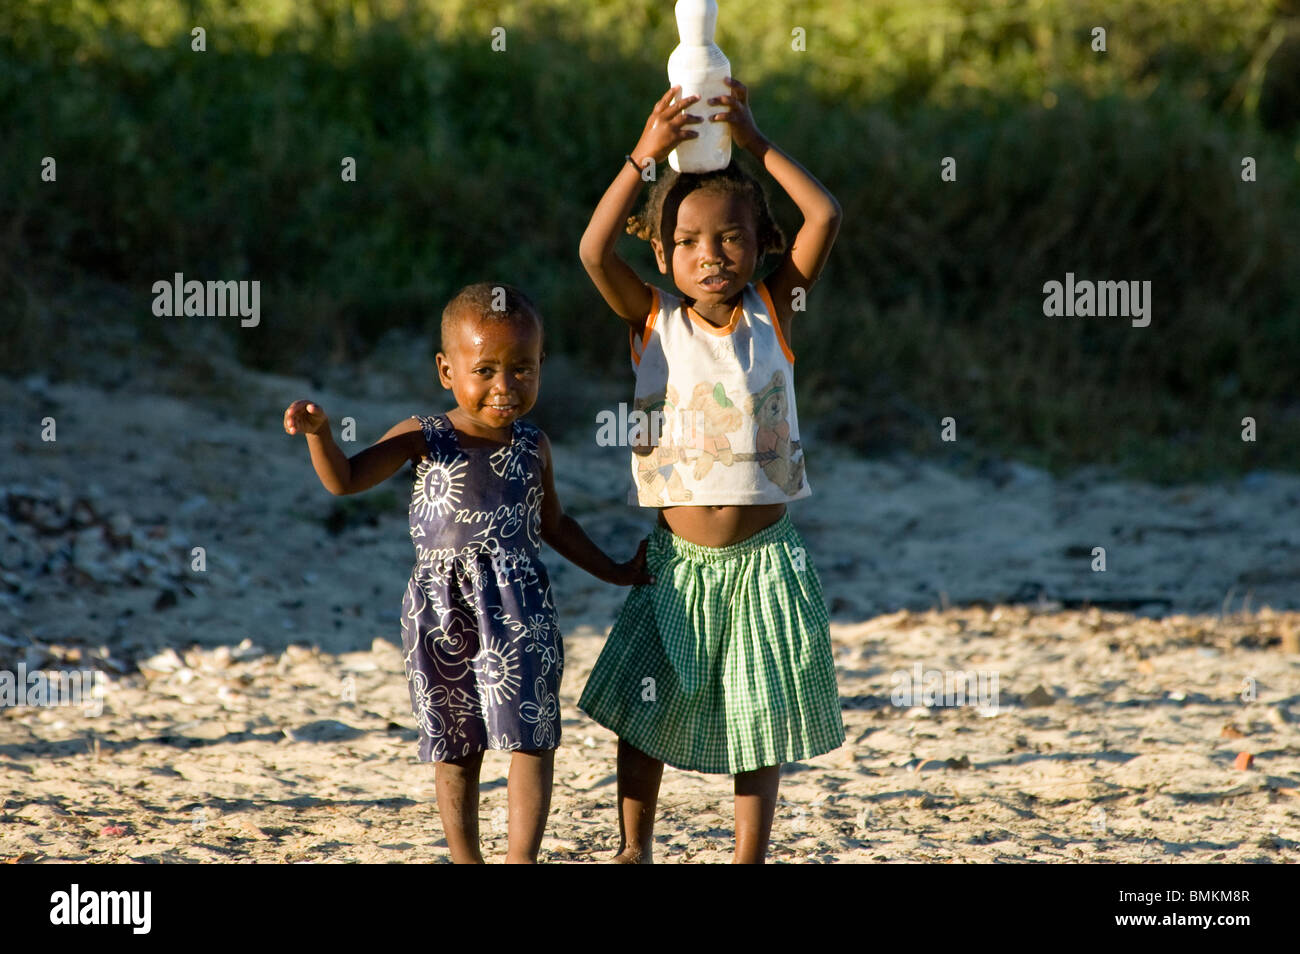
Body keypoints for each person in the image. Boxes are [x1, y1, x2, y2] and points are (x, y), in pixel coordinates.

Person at [282, 283, 649, 863]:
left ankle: (520, 858)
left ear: (540, 367)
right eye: (485, 369)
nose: (505, 386)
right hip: (439, 610)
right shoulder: (424, 436)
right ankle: (465, 857)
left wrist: (617, 570)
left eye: (522, 369)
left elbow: (555, 525)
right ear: (446, 370)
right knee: (456, 742)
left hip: (522, 610)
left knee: (532, 736)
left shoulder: (534, 445)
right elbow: (344, 480)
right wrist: (321, 435)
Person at [576, 79, 845, 863]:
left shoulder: (775, 308)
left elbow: (824, 215)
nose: (710, 255)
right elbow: (593, 249)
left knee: (758, 717)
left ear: (761, 243)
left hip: (765, 560)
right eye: (688, 242)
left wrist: (755, 140)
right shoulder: (651, 319)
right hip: (678, 563)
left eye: (730, 238)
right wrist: (644, 155)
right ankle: (635, 848)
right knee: (645, 709)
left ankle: (747, 855)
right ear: (661, 254)